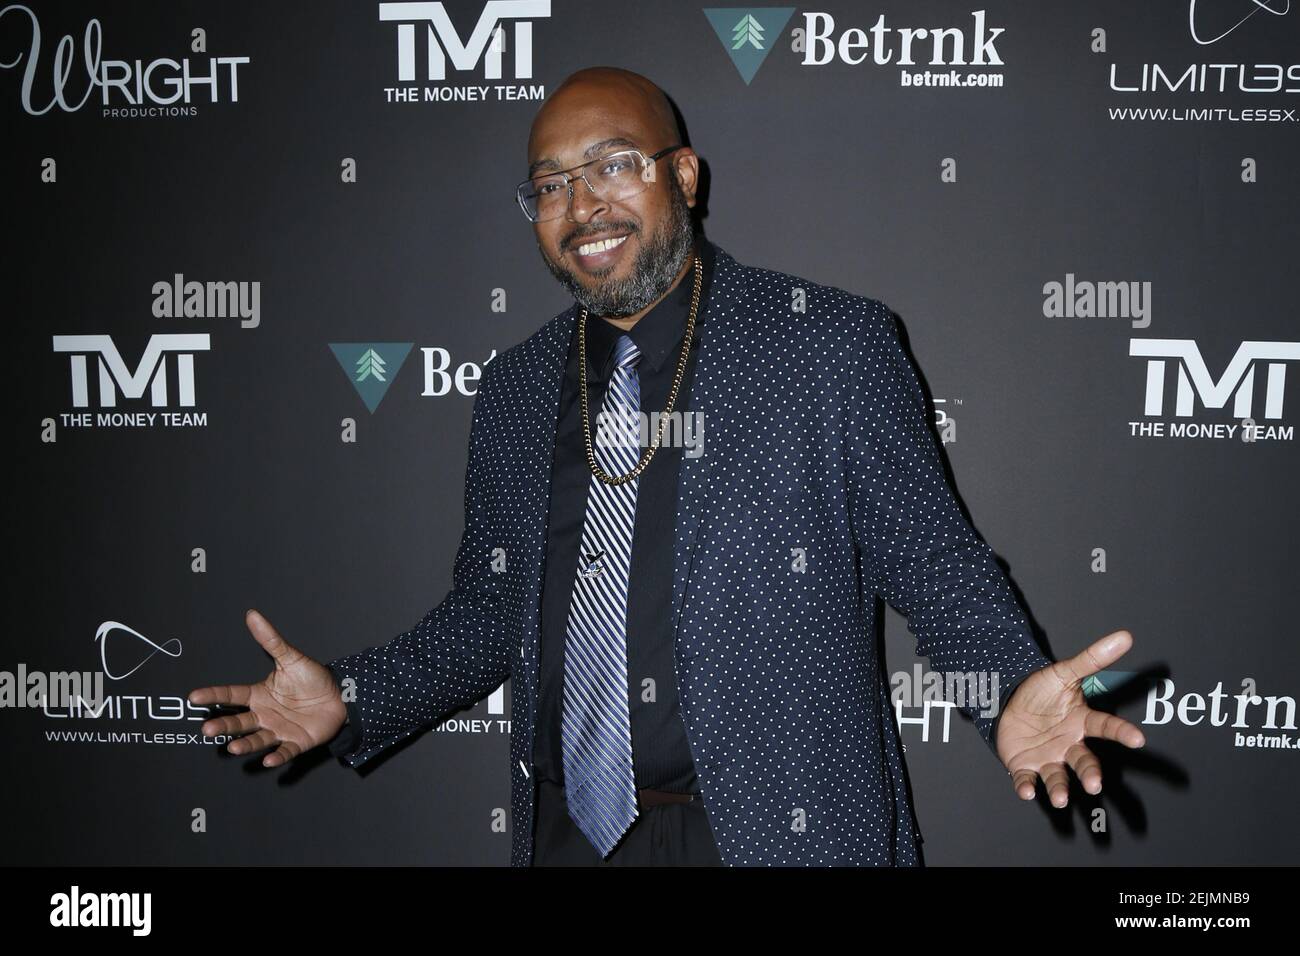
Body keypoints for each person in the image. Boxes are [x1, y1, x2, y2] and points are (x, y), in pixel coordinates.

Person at [188, 66, 1146, 867]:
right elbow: (489, 614)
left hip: (774, 842)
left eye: (615, 164)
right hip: (568, 834)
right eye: (551, 183)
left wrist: (1006, 688)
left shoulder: (827, 344)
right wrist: (353, 700)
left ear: (683, 177)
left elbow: (932, 563)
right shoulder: (518, 389)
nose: (582, 205)